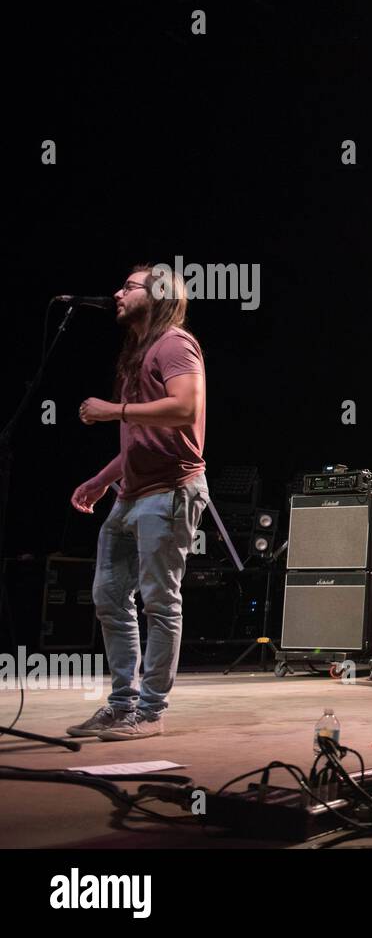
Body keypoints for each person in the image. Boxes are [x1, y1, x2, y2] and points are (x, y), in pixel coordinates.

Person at [67, 263, 209, 740]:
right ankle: (121, 704)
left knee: (160, 602)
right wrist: (102, 480)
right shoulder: (138, 352)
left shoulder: (174, 343)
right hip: (131, 495)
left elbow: (185, 408)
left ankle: (149, 711)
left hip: (170, 492)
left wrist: (113, 411)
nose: (117, 292)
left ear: (160, 294)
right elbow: (138, 439)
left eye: (129, 286)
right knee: (109, 597)